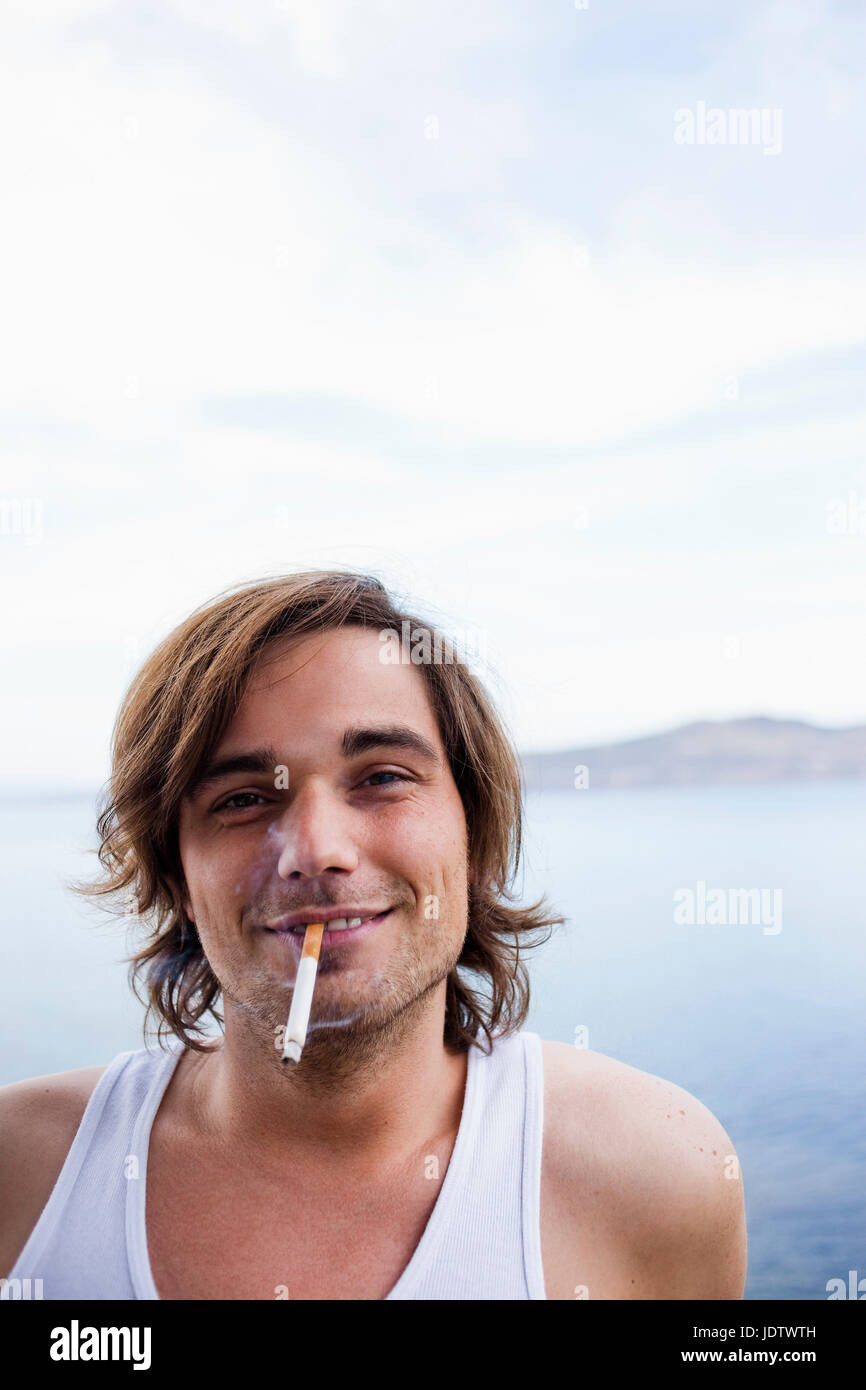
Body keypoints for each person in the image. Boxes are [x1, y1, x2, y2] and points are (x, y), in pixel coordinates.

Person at [0, 571, 747, 1299]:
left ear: (475, 838)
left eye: (382, 777)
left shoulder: (656, 1173)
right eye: (243, 798)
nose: (315, 849)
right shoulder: (20, 1172)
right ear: (177, 880)